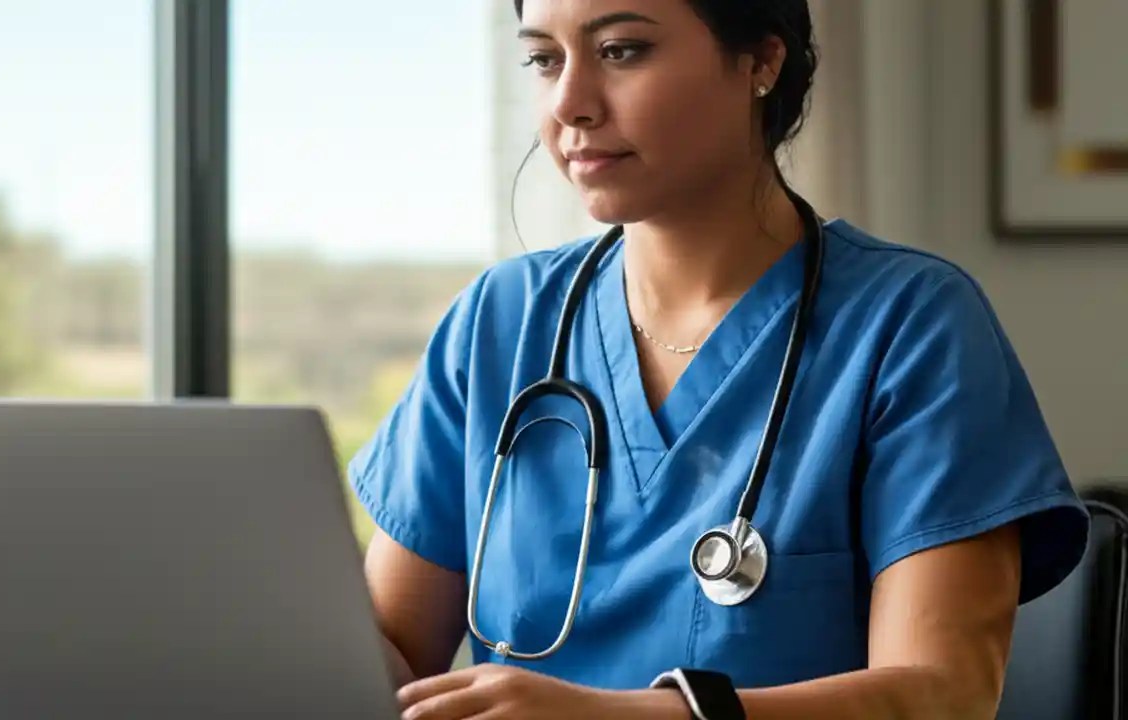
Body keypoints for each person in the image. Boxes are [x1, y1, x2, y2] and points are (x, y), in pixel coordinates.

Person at [348, 1, 1090, 717]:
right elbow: (385, 662)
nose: (570, 103)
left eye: (620, 51)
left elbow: (943, 696)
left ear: (761, 60)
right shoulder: (500, 321)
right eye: (544, 60)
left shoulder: (909, 323)